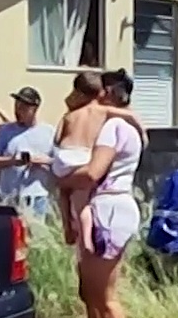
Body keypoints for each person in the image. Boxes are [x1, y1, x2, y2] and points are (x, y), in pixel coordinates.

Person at [63, 70, 145, 318]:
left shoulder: (113, 127)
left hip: (109, 210)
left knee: (105, 296)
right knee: (91, 292)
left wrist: (63, 180)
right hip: (108, 207)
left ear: (106, 92)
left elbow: (93, 172)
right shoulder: (123, 124)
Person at [50, 72, 144, 247]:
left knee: (64, 192)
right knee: (83, 199)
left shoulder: (69, 115)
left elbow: (57, 138)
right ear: (101, 93)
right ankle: (86, 237)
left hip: (64, 155)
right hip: (84, 154)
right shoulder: (103, 112)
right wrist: (142, 132)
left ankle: (67, 227)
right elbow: (131, 116)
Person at [0, 87, 56, 217]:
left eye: (24, 108)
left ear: (34, 109)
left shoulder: (49, 132)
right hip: (10, 195)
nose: (18, 111)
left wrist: (39, 161)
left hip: (38, 195)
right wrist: (12, 161)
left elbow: (58, 162)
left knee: (36, 234)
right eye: (17, 106)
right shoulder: (5, 131)